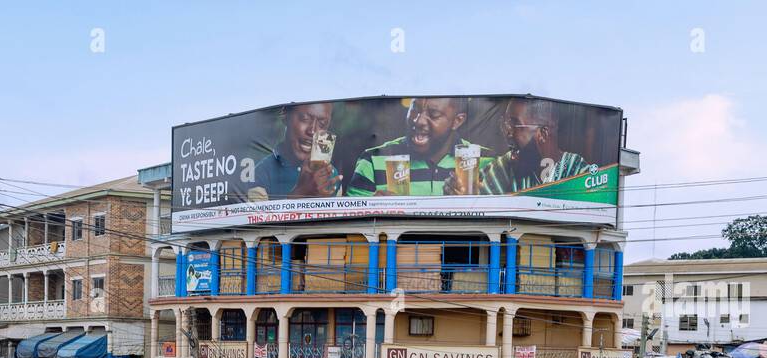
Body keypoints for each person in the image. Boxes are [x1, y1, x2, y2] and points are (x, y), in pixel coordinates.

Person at [348, 98, 486, 197]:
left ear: (457, 121)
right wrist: (372, 208)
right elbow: (351, 226)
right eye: (415, 109)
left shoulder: (486, 161)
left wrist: (474, 204)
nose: (418, 121)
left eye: (434, 115)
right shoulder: (372, 160)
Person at [479, 97, 594, 196]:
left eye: (514, 124)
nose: (507, 133)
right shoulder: (500, 169)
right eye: (506, 124)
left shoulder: (577, 172)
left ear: (543, 134)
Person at [248, 102, 343, 200]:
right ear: (285, 116)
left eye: (322, 124)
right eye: (305, 119)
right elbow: (257, 215)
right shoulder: (260, 176)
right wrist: (300, 193)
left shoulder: (332, 177)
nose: (312, 131)